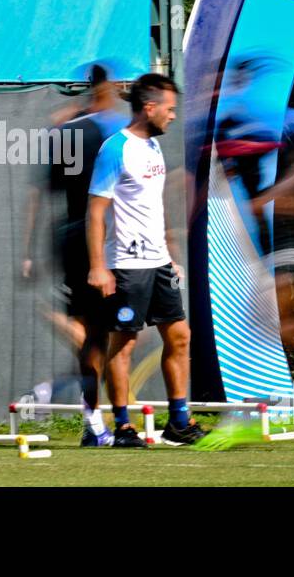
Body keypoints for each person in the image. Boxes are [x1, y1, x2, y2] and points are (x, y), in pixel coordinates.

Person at [87, 72, 204, 447]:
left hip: (158, 264)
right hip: (126, 266)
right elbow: (95, 211)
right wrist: (98, 266)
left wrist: (169, 255)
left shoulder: (154, 148)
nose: (173, 116)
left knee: (180, 336)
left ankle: (179, 423)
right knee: (124, 345)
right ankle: (122, 427)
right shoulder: (115, 148)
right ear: (149, 107)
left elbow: (152, 207)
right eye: (169, 109)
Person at [22, 64, 129, 446]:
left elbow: (40, 193)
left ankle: (88, 414)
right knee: (113, 334)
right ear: (110, 87)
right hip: (102, 240)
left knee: (97, 334)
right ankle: (110, 421)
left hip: (70, 237)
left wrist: (29, 251)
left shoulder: (66, 129)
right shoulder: (116, 131)